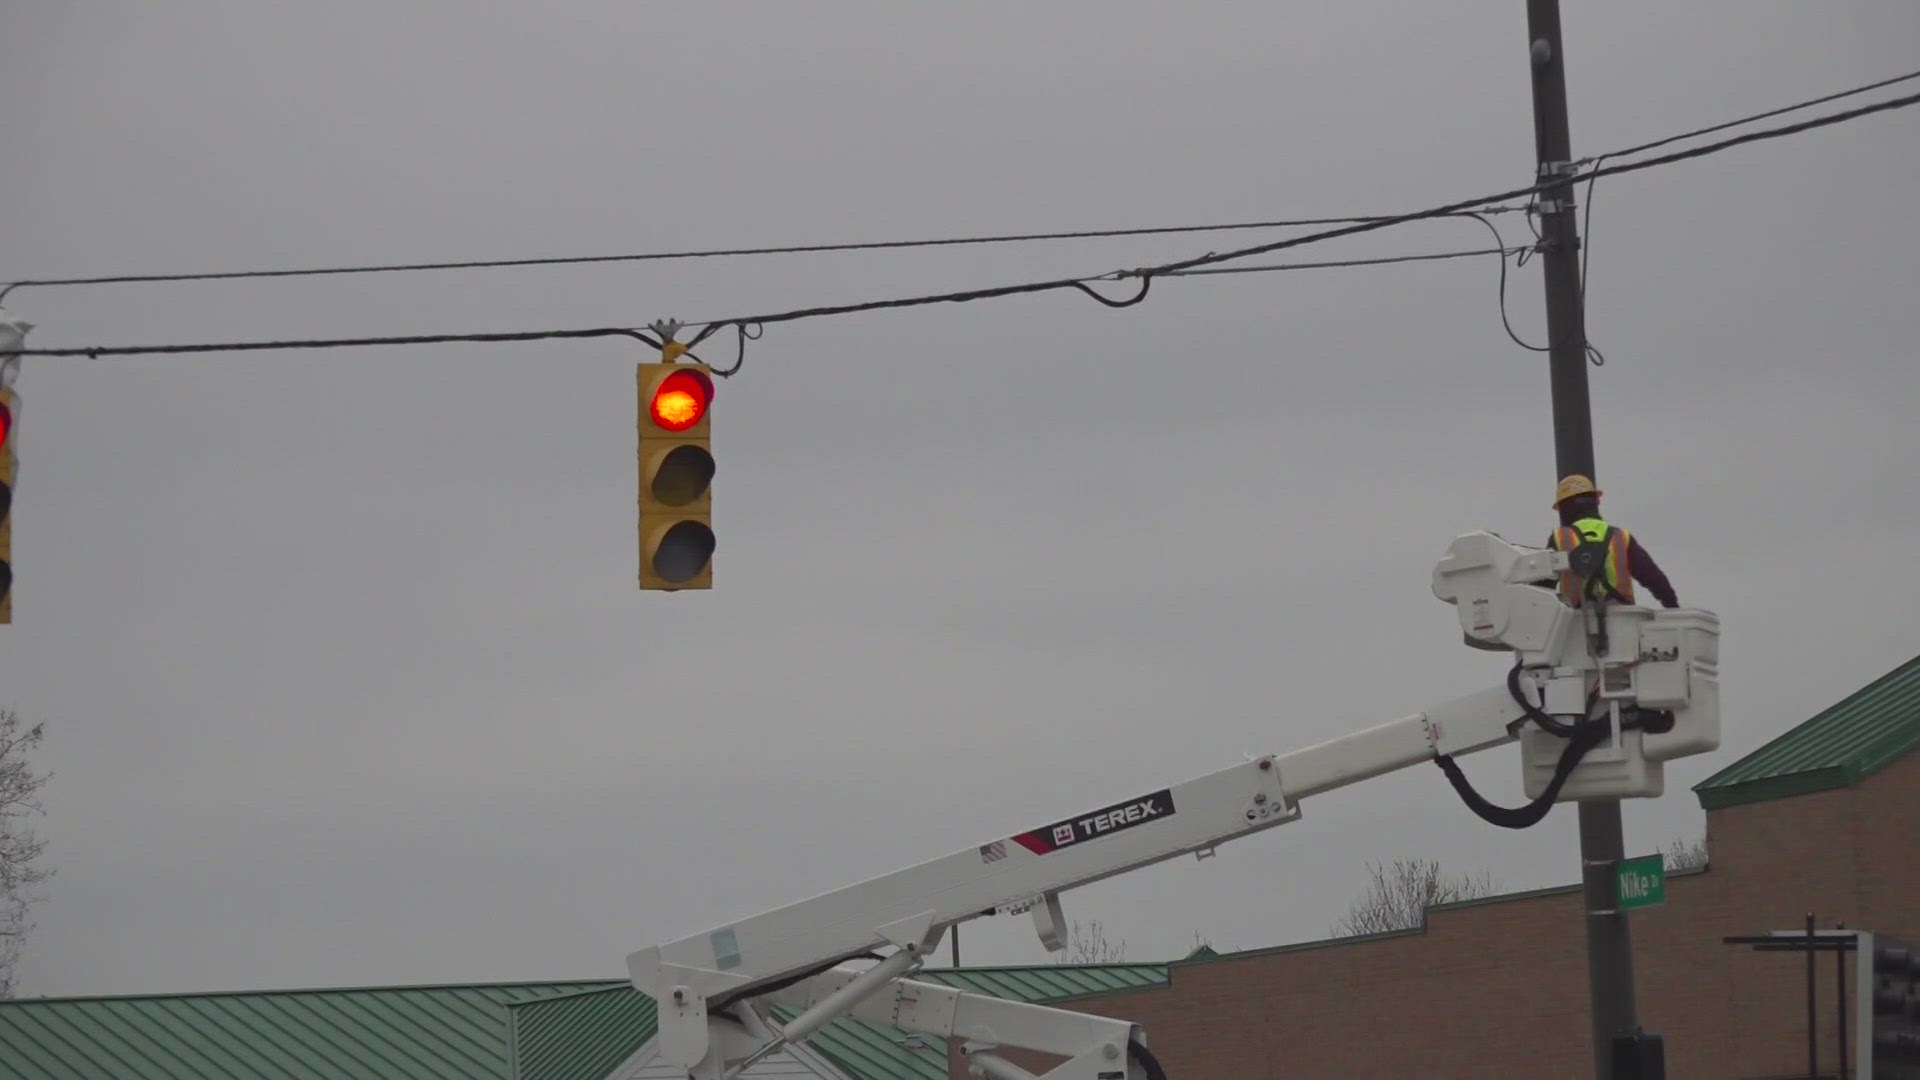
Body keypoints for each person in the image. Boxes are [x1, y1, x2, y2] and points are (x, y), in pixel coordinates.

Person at [1546, 474, 1679, 609]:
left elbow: (1542, 587)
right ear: (1596, 502)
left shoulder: (1560, 538)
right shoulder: (1621, 537)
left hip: (1575, 624)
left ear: (1564, 508)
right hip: (1623, 622)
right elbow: (1655, 579)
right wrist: (1673, 609)